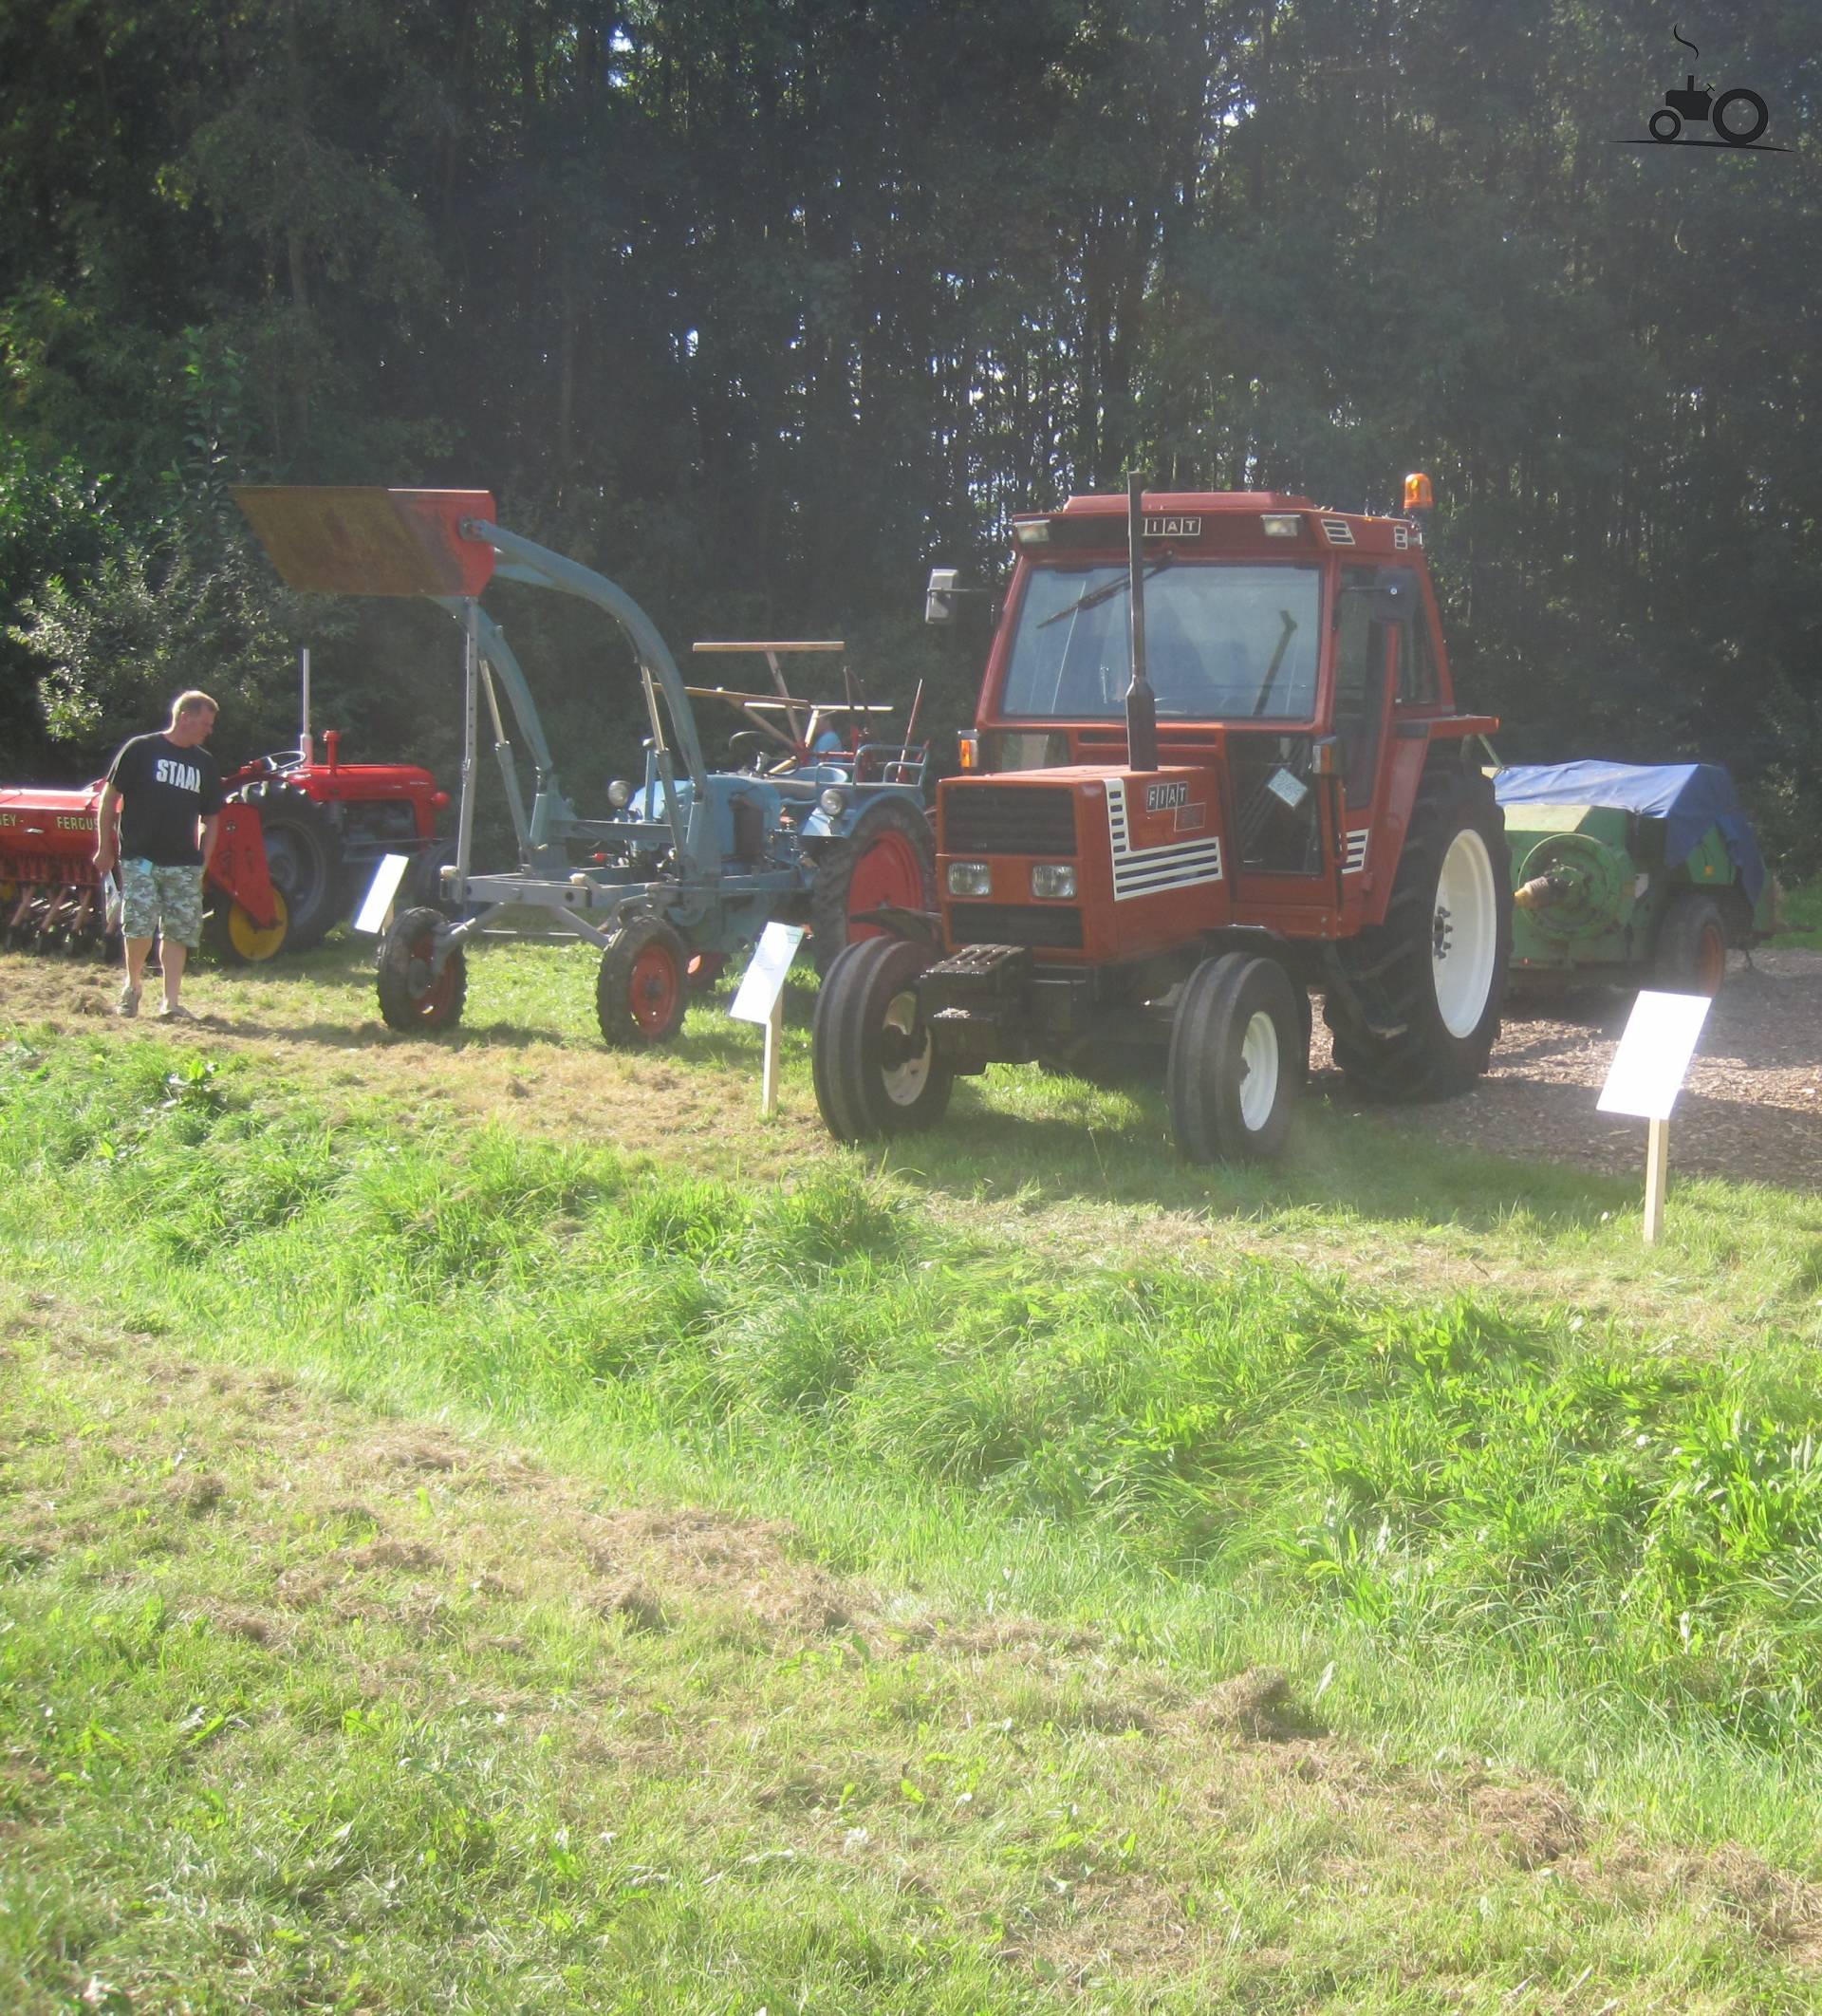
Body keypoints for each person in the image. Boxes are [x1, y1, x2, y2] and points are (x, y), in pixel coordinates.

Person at [94, 690, 226, 1019]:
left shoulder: (204, 764)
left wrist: (204, 860)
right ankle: (133, 985)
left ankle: (171, 1002)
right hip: (140, 858)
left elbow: (212, 816)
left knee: (179, 930)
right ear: (185, 717)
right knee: (138, 925)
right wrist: (104, 847)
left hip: (183, 863)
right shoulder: (141, 750)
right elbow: (109, 800)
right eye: (205, 723)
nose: (208, 730)